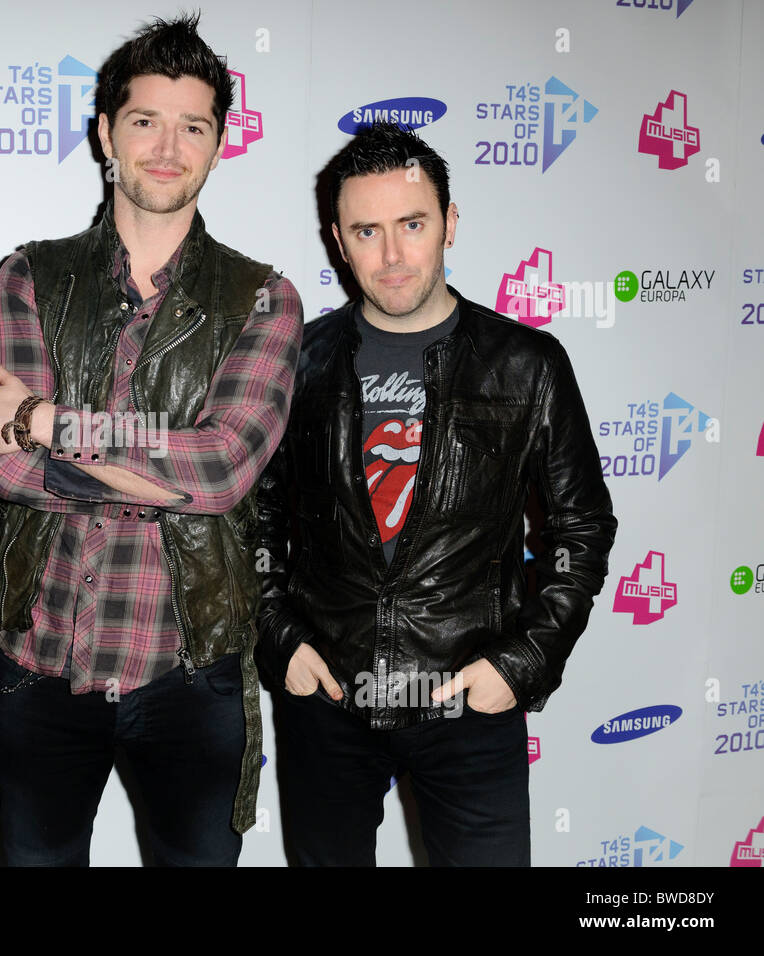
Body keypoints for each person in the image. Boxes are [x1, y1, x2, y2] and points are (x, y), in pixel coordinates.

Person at [0, 13, 302, 866]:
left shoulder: (264, 298)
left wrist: (51, 424)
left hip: (191, 668)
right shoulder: (27, 275)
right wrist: (157, 465)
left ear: (220, 144)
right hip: (35, 664)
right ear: (104, 133)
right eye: (145, 120)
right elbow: (7, 472)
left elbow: (224, 468)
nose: (167, 145)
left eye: (193, 125)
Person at [256, 123, 616, 866]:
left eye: (412, 225)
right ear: (338, 239)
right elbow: (250, 518)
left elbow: (582, 531)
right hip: (328, 696)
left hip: (467, 698)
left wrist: (521, 664)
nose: (391, 256)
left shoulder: (527, 365)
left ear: (450, 222)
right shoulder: (301, 362)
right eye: (367, 231)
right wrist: (278, 636)